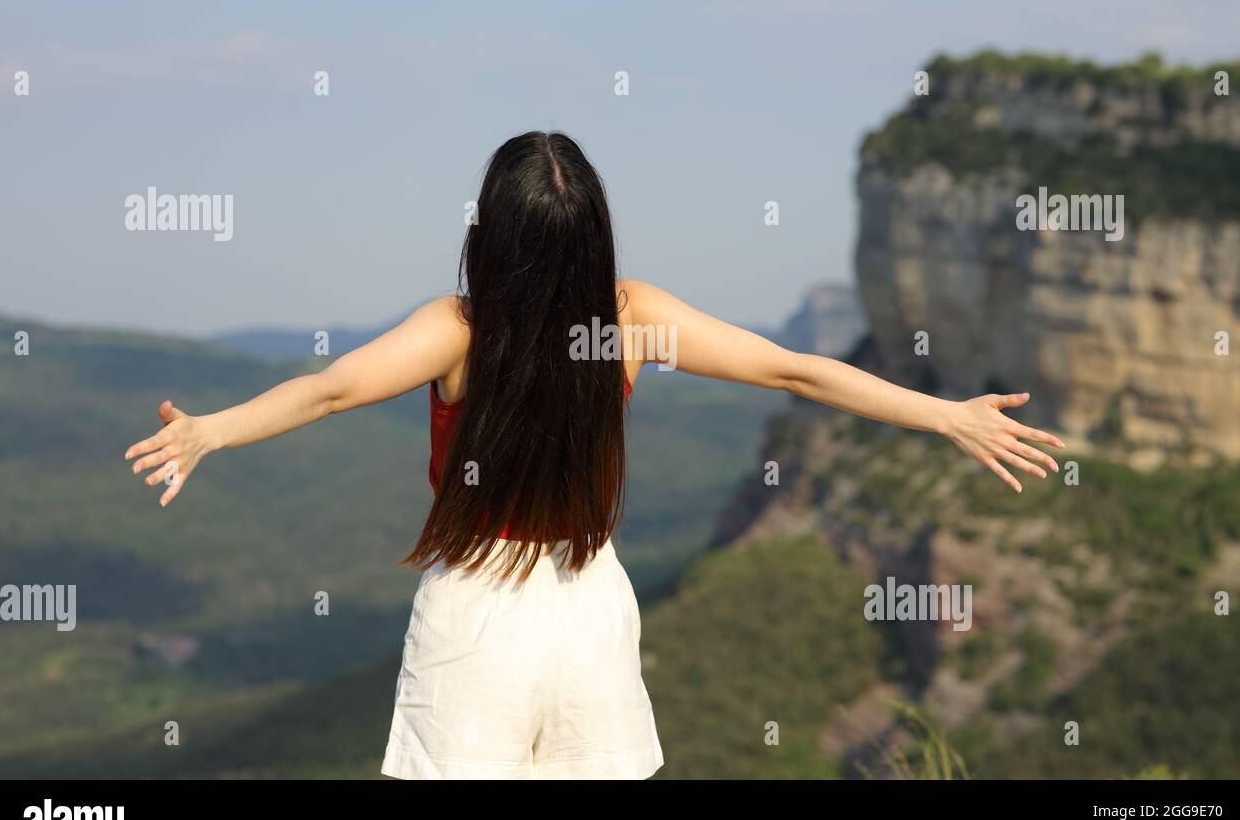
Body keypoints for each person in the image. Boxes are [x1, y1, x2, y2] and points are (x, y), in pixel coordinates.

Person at [124, 130, 1064, 779]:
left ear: (489, 232)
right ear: (592, 238)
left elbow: (328, 389)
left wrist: (210, 430)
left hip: (474, 614)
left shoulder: (458, 330)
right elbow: (795, 372)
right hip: (588, 604)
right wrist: (945, 416)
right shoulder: (631, 321)